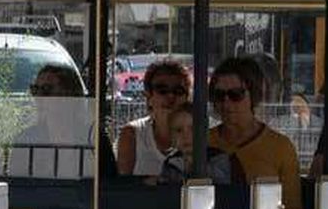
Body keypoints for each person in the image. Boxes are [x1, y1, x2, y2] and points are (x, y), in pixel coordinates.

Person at [207, 55, 304, 198]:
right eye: (219, 95)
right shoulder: (201, 142)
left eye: (236, 94)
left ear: (254, 95)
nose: (226, 103)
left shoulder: (281, 148)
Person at [116, 59, 194, 179]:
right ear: (149, 96)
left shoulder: (199, 134)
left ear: (187, 97)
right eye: (162, 90)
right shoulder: (133, 134)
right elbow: (124, 189)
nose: (170, 96)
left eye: (178, 91)